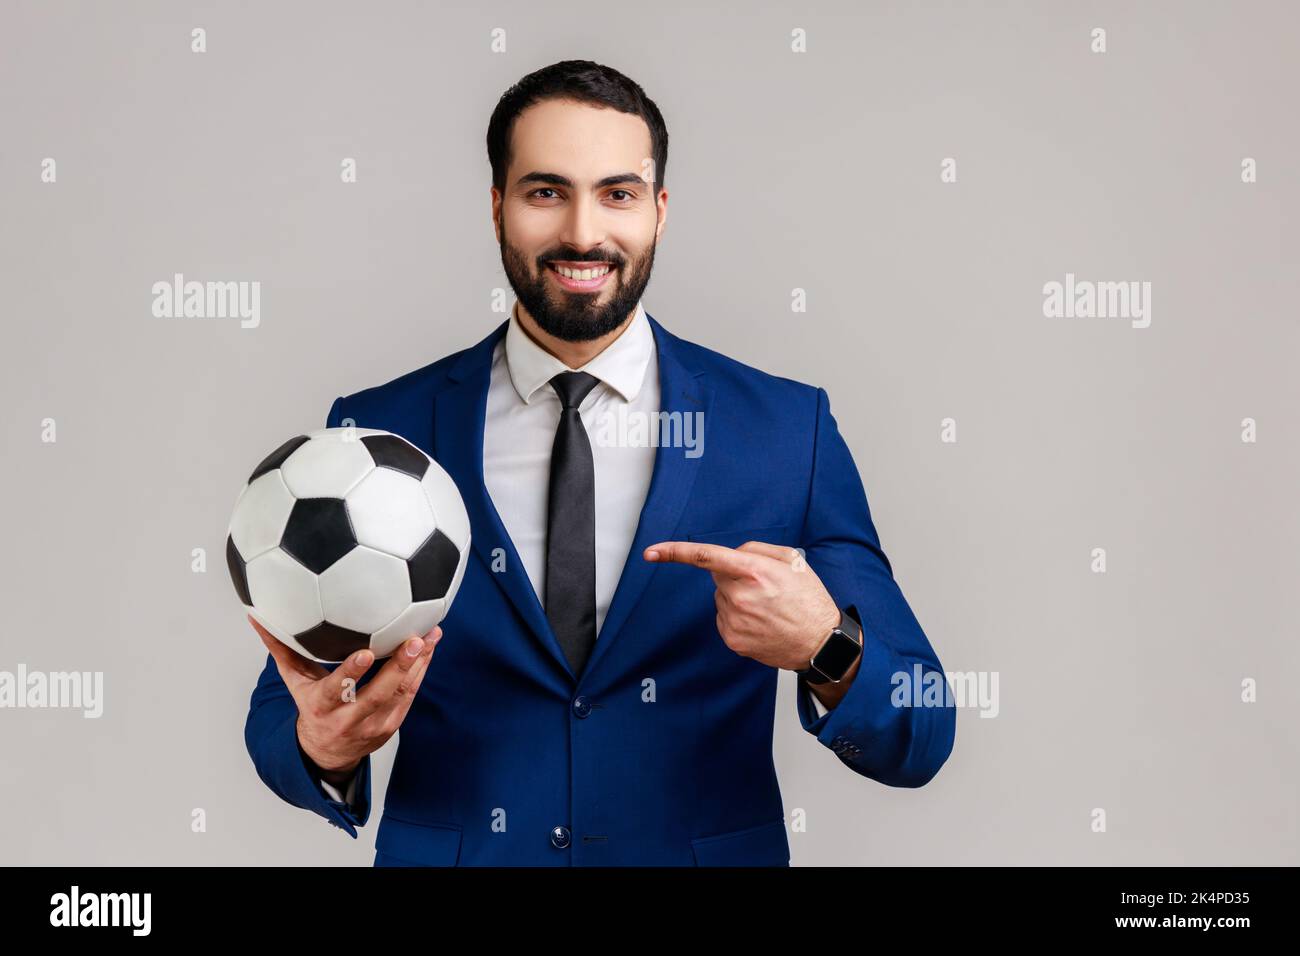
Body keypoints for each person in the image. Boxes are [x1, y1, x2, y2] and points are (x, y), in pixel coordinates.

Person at [244, 59, 955, 866]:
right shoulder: (383, 432)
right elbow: (284, 710)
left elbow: (921, 729)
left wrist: (825, 645)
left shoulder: (786, 432)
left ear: (659, 211)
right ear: (497, 207)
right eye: (546, 191)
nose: (583, 233)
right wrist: (322, 745)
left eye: (617, 193)